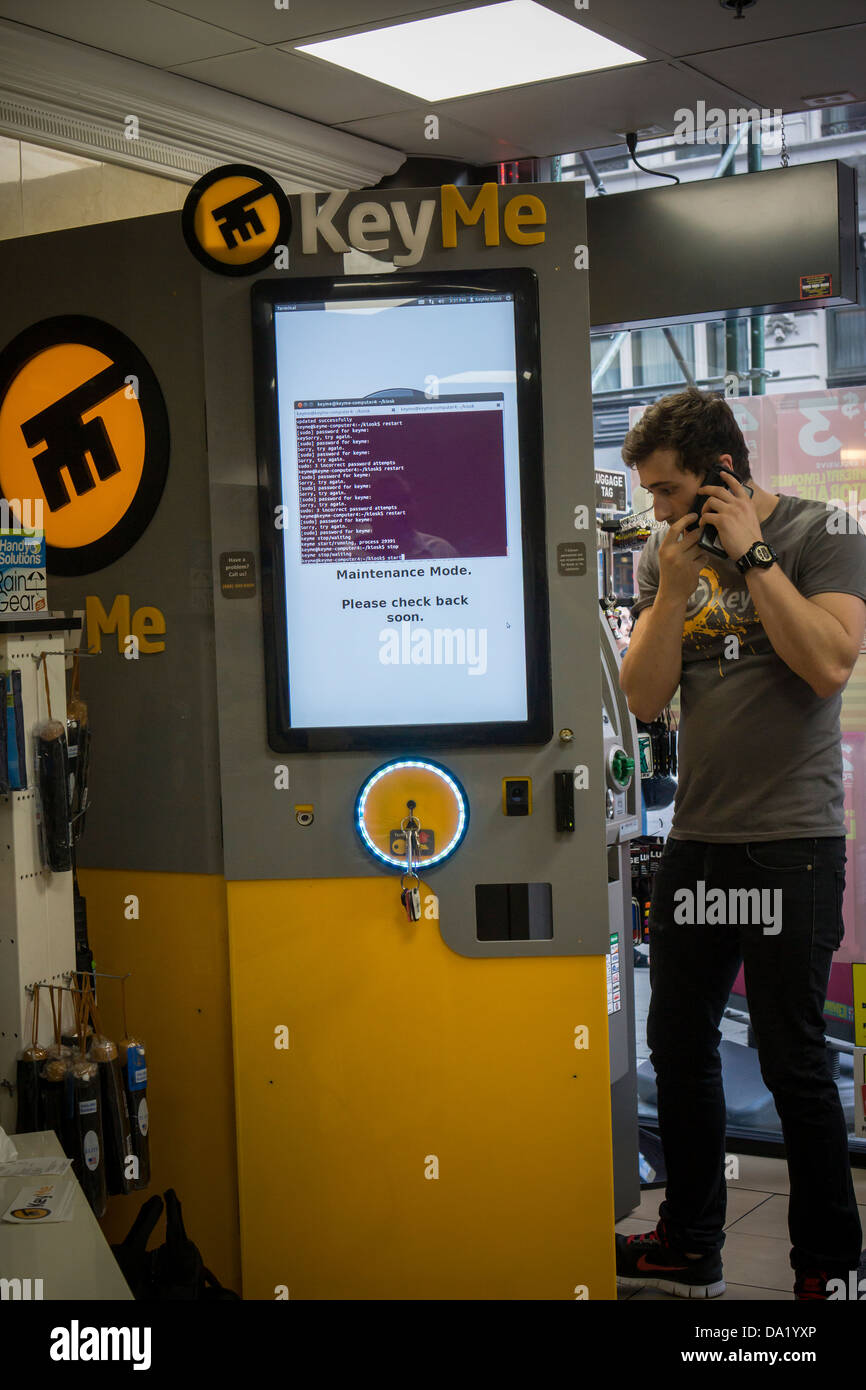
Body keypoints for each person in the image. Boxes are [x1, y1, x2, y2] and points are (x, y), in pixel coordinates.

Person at [616, 386, 866, 1301]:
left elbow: (829, 662)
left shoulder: (819, 533)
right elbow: (645, 702)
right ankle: (690, 1241)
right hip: (700, 842)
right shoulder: (665, 558)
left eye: (669, 492)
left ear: (722, 475)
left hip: (792, 843)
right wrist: (674, 589)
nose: (658, 512)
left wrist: (752, 558)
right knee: (676, 1045)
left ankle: (830, 1268)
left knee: (794, 1059)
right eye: (649, 495)